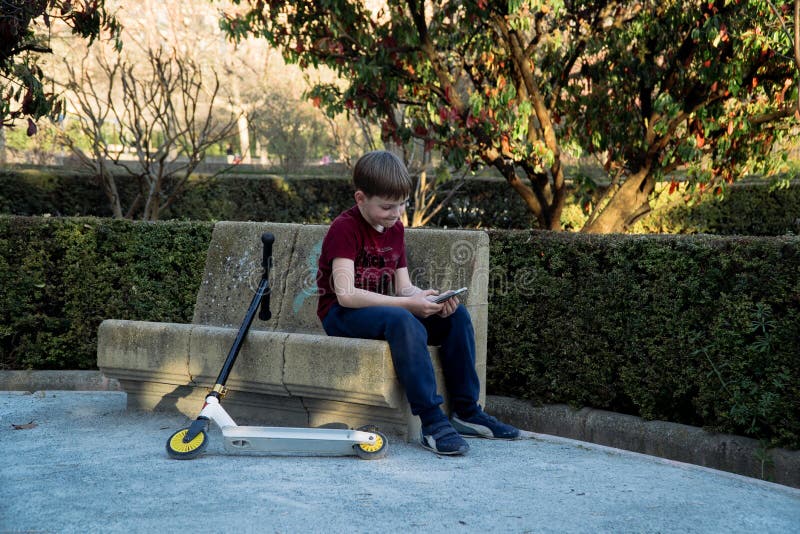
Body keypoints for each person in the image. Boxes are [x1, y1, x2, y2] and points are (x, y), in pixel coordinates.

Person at [316, 150, 520, 456]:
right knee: (402, 320)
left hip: (379, 312)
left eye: (401, 204)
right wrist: (409, 306)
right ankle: (432, 422)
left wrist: (430, 299)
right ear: (360, 198)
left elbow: (404, 287)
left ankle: (466, 411)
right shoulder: (344, 228)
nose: (396, 213)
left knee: (455, 316)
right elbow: (346, 294)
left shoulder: (395, 229)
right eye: (386, 206)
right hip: (342, 315)